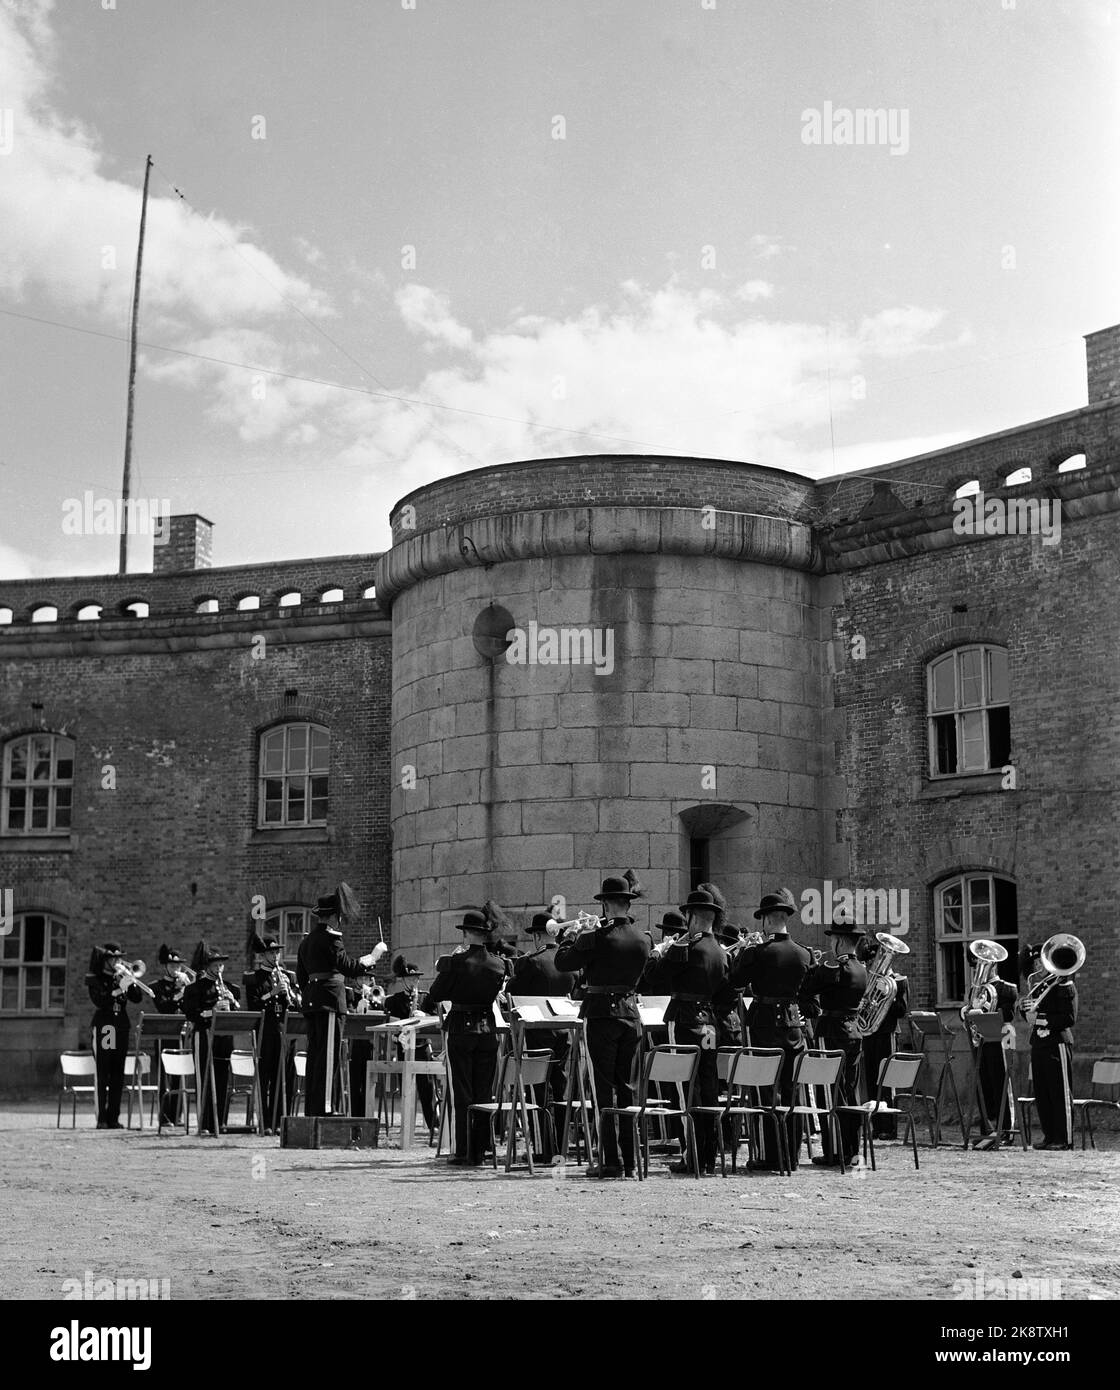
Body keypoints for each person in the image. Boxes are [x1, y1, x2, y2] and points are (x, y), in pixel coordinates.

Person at [555, 874, 653, 1180]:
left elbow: (563, 963)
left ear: (607, 905)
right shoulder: (643, 939)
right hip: (631, 1014)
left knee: (603, 1089)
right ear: (627, 904)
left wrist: (573, 935)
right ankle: (631, 1161)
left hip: (600, 1015)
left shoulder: (594, 937)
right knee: (628, 1089)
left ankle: (611, 1160)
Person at [643, 885, 728, 1175]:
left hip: (683, 1020)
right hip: (710, 1023)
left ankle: (691, 1155)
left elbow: (653, 976)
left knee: (683, 1088)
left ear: (691, 916)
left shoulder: (686, 948)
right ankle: (708, 1156)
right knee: (708, 1087)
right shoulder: (720, 951)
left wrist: (659, 952)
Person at [729, 889, 812, 1170]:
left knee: (765, 1091)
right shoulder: (803, 953)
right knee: (792, 1090)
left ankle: (768, 1156)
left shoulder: (757, 952)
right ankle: (791, 1156)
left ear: (766, 920)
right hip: (793, 1025)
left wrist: (743, 952)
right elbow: (808, 995)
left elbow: (736, 981)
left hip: (763, 1023)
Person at [427, 909, 511, 1165]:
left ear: (466, 934)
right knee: (484, 1091)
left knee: (462, 1091)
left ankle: (464, 1150)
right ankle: (481, 1149)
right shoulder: (499, 963)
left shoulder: (456, 962)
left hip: (461, 1028)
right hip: (487, 1029)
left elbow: (436, 994)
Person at [296, 884, 385, 1117]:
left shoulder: (306, 942)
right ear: (334, 916)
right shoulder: (331, 938)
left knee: (315, 1055)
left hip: (314, 1001)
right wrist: (374, 956)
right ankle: (325, 1107)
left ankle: (313, 1108)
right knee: (328, 1056)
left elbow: (302, 977)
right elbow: (348, 967)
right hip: (330, 1002)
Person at [802, 917, 868, 1167]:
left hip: (831, 1031)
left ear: (839, 941)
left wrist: (813, 964)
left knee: (829, 1092)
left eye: (832, 940)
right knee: (849, 1092)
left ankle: (835, 1151)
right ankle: (851, 1148)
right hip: (853, 1031)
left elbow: (807, 987)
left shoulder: (835, 968)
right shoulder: (861, 969)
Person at [510, 912, 581, 1118]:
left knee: (538, 1087)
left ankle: (542, 1136)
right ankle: (561, 1134)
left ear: (537, 936)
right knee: (561, 1085)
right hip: (564, 1029)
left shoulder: (531, 962)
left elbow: (512, 991)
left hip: (538, 1030)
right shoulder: (569, 963)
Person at [1020, 943, 1078, 1151]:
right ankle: (1050, 1136)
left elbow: (1068, 1018)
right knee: (1043, 1092)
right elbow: (1031, 1015)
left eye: (1041, 962)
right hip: (1039, 1042)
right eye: (1036, 962)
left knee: (1059, 1092)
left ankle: (1064, 1138)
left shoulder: (1064, 984)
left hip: (1057, 1042)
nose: (1038, 966)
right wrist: (1024, 1010)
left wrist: (1039, 1019)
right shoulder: (1040, 986)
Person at [182, 942, 241, 1134]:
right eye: (215, 965)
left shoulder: (230, 988)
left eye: (221, 965)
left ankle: (220, 1122)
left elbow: (237, 1016)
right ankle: (204, 1123)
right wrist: (213, 1011)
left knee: (223, 1079)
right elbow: (192, 1014)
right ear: (208, 966)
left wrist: (232, 1002)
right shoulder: (194, 989)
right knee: (205, 1078)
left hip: (224, 1038)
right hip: (204, 1035)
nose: (219, 969)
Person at [244, 932, 300, 1133]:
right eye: (271, 953)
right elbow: (253, 1005)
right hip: (265, 1032)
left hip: (285, 1031)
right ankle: (266, 1123)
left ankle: (280, 1122)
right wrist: (273, 993)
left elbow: (297, 1005)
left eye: (277, 952)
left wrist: (291, 994)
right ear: (263, 955)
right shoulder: (253, 977)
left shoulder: (288, 976)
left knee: (284, 1078)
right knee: (265, 1077)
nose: (276, 956)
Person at [856, 930, 909, 1139]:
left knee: (886, 1080)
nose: (874, 964)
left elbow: (902, 1010)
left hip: (887, 1033)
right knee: (871, 1079)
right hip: (870, 1033)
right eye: (874, 960)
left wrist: (889, 996)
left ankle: (889, 1127)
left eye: (878, 959)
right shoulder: (869, 980)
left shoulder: (899, 981)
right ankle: (876, 1126)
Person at [86, 943, 142, 1129]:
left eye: (119, 958)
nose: (118, 961)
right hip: (106, 1026)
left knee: (118, 1072)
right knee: (104, 1071)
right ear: (105, 960)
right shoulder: (96, 978)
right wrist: (118, 989)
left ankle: (114, 1117)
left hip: (121, 1026)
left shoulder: (122, 976)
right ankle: (102, 1117)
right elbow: (100, 1001)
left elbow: (137, 998)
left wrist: (131, 981)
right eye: (113, 958)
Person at [385, 955, 437, 1135]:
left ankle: (433, 1124)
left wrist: (424, 1016)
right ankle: (407, 1127)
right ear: (403, 980)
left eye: (416, 978)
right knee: (406, 1089)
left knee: (427, 1089)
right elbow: (391, 1025)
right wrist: (399, 1033)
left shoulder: (425, 998)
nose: (415, 981)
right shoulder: (393, 1000)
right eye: (411, 978)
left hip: (422, 1046)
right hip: (404, 1047)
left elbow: (437, 1019)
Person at [969, 971, 1019, 1150]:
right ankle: (988, 1130)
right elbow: (969, 1015)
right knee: (984, 1086)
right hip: (983, 1040)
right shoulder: (976, 989)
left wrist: (986, 1007)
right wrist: (967, 1011)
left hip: (1002, 1038)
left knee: (1002, 1084)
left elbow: (1008, 1015)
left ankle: (1005, 1131)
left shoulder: (1007, 988)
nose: (978, 968)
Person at [150, 943, 189, 1126]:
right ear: (165, 966)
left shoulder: (186, 987)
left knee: (179, 1078)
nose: (176, 969)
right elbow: (164, 1007)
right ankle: (165, 1116)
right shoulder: (156, 986)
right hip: (165, 1035)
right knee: (164, 1077)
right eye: (173, 966)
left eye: (178, 966)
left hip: (182, 1034)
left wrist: (189, 989)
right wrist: (179, 993)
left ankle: (177, 1115)